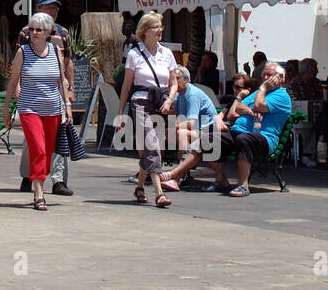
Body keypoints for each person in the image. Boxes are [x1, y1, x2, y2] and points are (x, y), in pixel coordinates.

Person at [159, 62, 293, 197]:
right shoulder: (257, 93)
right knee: (207, 138)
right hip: (237, 131)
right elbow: (236, 109)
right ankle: (180, 176)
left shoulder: (281, 96)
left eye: (269, 75)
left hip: (263, 137)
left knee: (244, 139)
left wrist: (262, 89)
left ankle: (243, 185)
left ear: (281, 77)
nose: (265, 78)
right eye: (264, 75)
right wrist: (249, 110)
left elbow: (258, 106)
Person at [3, 12, 73, 211]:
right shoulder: (23, 52)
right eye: (31, 29)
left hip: (53, 109)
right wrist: (6, 108)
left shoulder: (55, 51)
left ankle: (39, 178)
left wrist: (67, 106)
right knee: (38, 149)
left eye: (38, 30)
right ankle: (39, 194)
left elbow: (61, 80)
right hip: (29, 108)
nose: (34, 33)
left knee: (48, 151)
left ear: (48, 31)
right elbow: (13, 81)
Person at [115, 11, 178, 208]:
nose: (160, 30)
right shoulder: (134, 54)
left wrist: (169, 101)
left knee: (154, 147)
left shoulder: (167, 54)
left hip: (161, 102)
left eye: (161, 26)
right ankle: (159, 192)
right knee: (151, 144)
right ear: (145, 30)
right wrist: (120, 113)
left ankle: (140, 187)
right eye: (155, 27)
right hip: (140, 101)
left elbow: (174, 82)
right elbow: (126, 86)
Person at [16, 0, 74, 196]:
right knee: (32, 140)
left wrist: (71, 87)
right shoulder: (27, 32)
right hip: (31, 95)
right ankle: (28, 175)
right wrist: (17, 88)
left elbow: (68, 61)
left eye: (55, 9)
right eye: (48, 8)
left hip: (55, 92)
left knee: (58, 137)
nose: (52, 12)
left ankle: (58, 180)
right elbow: (17, 62)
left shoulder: (63, 33)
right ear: (39, 10)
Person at [159, 65, 219, 190]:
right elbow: (178, 119)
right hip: (195, 130)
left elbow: (191, 123)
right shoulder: (177, 95)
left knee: (181, 134)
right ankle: (154, 171)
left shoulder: (192, 95)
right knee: (161, 134)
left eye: (177, 78)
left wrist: (173, 127)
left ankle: (181, 176)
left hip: (207, 131)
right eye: (172, 79)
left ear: (186, 80)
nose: (174, 82)